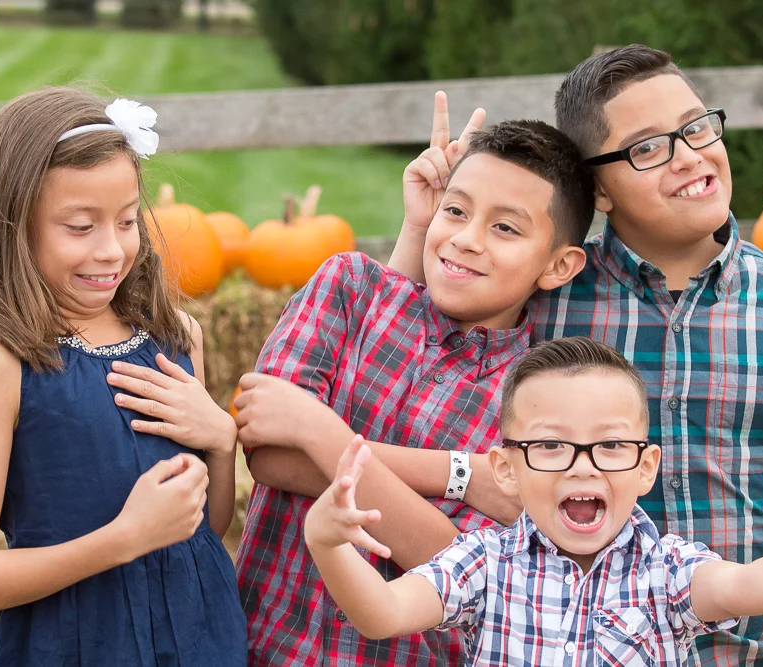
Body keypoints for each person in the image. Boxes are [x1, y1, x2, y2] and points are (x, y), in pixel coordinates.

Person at [385, 44, 763, 665]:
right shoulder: (545, 298)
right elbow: (402, 354)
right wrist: (430, 225)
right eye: (647, 148)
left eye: (696, 127)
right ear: (598, 190)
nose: (689, 156)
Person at [232, 118, 593, 665]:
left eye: (506, 229)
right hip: (264, 646)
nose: (467, 239)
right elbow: (271, 456)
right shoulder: (349, 286)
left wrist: (317, 429)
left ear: (558, 265)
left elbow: (449, 560)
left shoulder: (540, 398)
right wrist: (461, 475)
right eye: (456, 210)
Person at [305, 337, 763, 667]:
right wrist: (325, 541)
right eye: (550, 445)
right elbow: (383, 614)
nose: (583, 464)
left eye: (611, 445)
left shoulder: (665, 571)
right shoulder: (483, 565)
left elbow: (738, 585)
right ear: (506, 469)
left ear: (646, 468)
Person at [0, 87, 247, 666]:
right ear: (12, 228)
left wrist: (222, 442)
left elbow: (201, 529)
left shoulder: (176, 337)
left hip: (196, 638)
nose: (112, 250)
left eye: (127, 221)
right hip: (67, 645)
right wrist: (122, 540)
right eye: (80, 227)